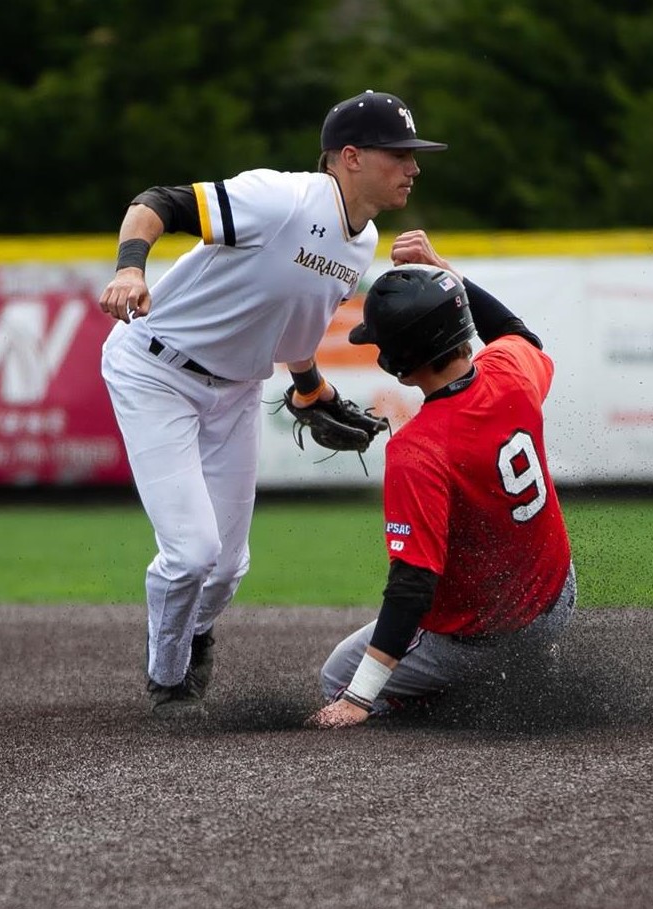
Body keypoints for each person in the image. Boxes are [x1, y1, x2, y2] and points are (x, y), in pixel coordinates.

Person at [98, 91, 447, 718]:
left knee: (228, 567)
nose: (412, 167)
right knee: (192, 554)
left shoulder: (361, 240)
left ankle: (191, 634)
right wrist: (130, 269)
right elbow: (157, 201)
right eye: (399, 154)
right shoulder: (280, 199)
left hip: (234, 388)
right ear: (349, 157)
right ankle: (170, 681)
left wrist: (310, 387)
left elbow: (290, 326)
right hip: (154, 369)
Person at [307, 231, 576, 730]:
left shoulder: (418, 449)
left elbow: (413, 583)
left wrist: (358, 699)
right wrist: (449, 273)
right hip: (557, 599)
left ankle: (489, 694)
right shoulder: (511, 372)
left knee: (339, 675)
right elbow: (519, 334)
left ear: (397, 365)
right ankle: (527, 663)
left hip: (486, 636)